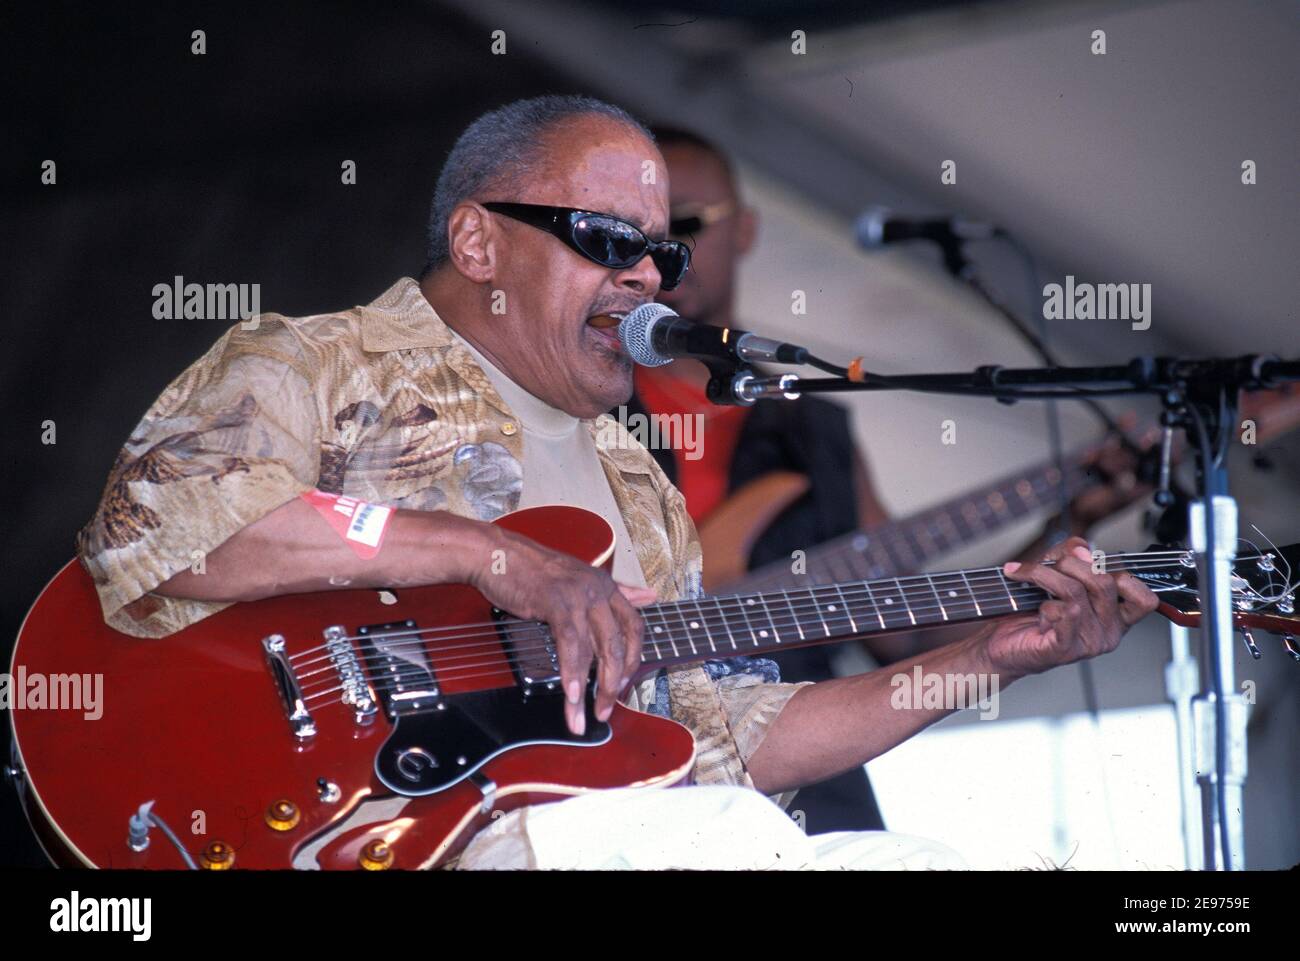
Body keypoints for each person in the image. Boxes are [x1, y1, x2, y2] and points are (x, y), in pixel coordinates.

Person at [76, 95, 1158, 870]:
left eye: (664, 256)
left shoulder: (634, 481)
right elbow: (178, 532)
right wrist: (499, 558)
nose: (645, 274)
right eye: (607, 241)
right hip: (315, 813)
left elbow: (721, 734)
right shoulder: (314, 361)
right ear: (478, 241)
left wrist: (981, 659)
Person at [624, 124, 1154, 834]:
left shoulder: (813, 428)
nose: (666, 253)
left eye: (685, 224)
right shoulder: (582, 402)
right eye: (634, 234)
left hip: (803, 763)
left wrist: (1069, 527)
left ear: (745, 230)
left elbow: (903, 636)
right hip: (623, 760)